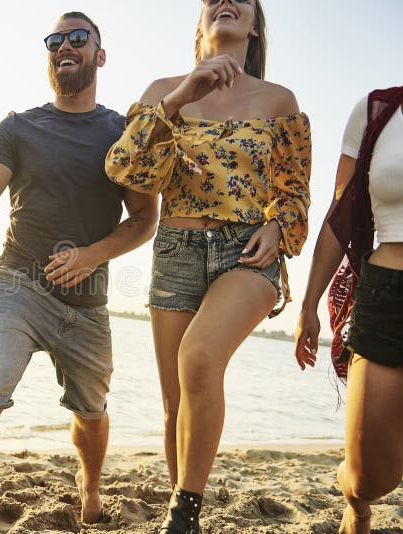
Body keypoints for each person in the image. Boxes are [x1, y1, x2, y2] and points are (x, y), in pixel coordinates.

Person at [0, 12, 159, 533]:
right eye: (55, 39)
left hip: (87, 305)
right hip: (19, 286)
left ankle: (90, 486)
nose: (65, 45)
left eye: (79, 37)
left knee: (91, 414)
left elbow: (145, 219)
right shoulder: (18, 127)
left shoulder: (121, 133)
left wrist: (92, 255)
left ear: (100, 55)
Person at [105, 0, 311, 531]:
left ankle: (182, 514)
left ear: (254, 26)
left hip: (247, 252)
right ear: (199, 26)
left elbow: (294, 194)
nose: (225, 1)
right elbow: (124, 167)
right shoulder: (162, 92)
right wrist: (178, 99)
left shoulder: (279, 101)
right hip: (176, 248)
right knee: (175, 404)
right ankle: (187, 522)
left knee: (197, 359)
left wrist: (278, 227)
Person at [294, 86, 403, 534]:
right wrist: (309, 303)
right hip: (388, 298)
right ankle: (356, 506)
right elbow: (340, 214)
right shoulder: (378, 112)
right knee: (368, 478)